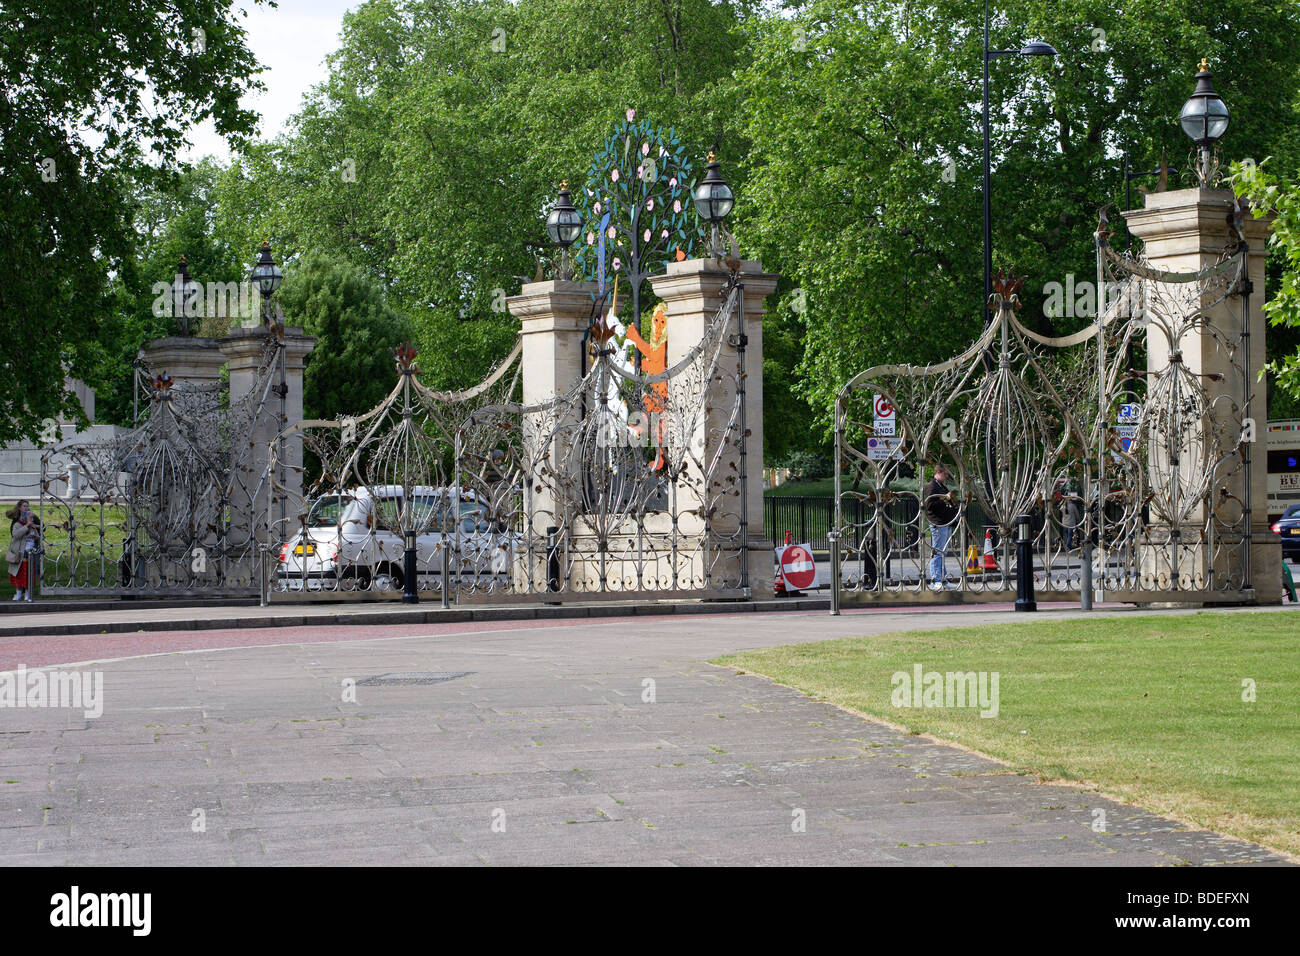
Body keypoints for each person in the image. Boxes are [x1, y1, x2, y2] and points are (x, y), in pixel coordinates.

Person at [923, 464, 958, 589]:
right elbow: (929, 505)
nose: (946, 476)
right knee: (938, 552)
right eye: (945, 474)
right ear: (938, 472)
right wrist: (945, 499)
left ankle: (942, 579)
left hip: (945, 522)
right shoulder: (932, 486)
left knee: (942, 552)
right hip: (938, 523)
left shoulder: (941, 486)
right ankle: (935, 579)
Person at [6, 500, 40, 602]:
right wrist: (26, 526)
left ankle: (28, 594)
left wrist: (36, 533)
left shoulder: (33, 525)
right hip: (20, 553)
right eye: (29, 518)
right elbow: (15, 535)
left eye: (32, 518)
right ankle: (18, 593)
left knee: (29, 575)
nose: (31, 519)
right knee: (19, 574)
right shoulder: (18, 524)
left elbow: (39, 533)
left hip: (31, 553)